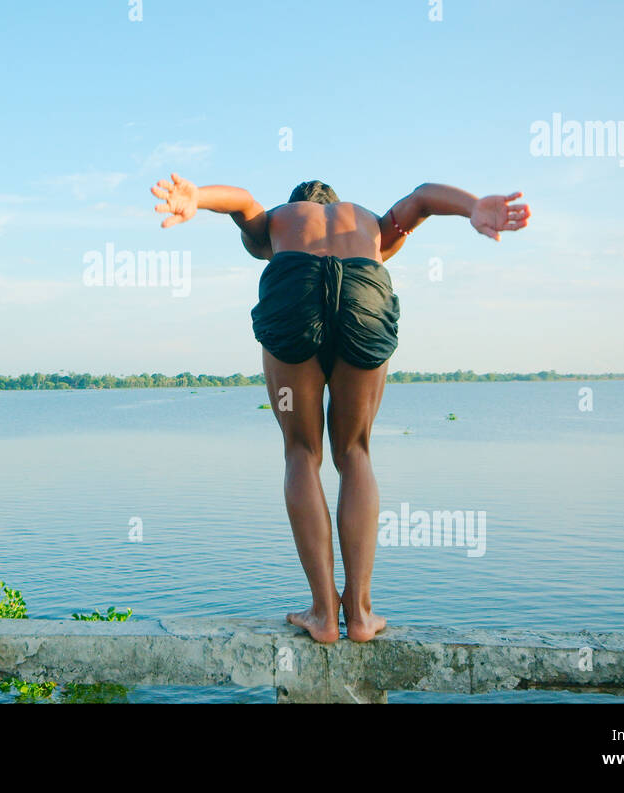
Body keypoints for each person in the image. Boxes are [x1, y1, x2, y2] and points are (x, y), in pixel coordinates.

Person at [151, 174, 531, 643]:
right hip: (364, 295)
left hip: (294, 294)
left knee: (301, 452)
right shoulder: (370, 222)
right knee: (354, 452)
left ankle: (324, 613)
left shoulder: (279, 222)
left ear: (298, 207)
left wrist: (197, 198)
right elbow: (422, 199)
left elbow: (243, 203)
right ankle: (362, 613)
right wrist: (473, 205)